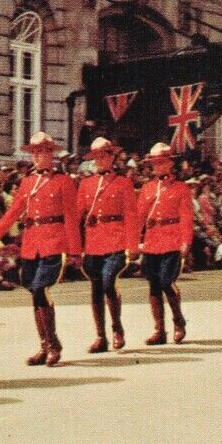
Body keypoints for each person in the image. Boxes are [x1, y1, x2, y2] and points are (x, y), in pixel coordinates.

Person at [0, 132, 82, 367]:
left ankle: (53, 344)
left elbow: (71, 217)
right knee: (34, 293)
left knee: (40, 289)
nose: (39, 156)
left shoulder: (63, 180)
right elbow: (13, 213)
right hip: (32, 243)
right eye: (35, 152)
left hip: (54, 241)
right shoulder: (27, 181)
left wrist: (75, 251)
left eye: (43, 152)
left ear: (51, 154)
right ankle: (45, 345)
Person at [75, 137, 139, 352]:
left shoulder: (123, 183)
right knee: (95, 287)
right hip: (93, 239)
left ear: (112, 157)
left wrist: (132, 245)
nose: (101, 161)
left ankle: (116, 327)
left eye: (104, 156)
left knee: (108, 280)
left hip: (116, 238)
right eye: (96, 157)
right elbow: (77, 214)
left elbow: (131, 215)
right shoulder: (86, 183)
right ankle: (100, 336)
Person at [136, 142, 194, 345]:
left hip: (172, 239)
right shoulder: (147, 187)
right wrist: (135, 240)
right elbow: (140, 217)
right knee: (153, 285)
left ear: (170, 163)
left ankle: (178, 321)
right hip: (152, 240)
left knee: (167, 282)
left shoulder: (180, 188)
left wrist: (185, 241)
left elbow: (186, 217)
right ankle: (159, 330)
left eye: (161, 162)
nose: (158, 166)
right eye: (154, 163)